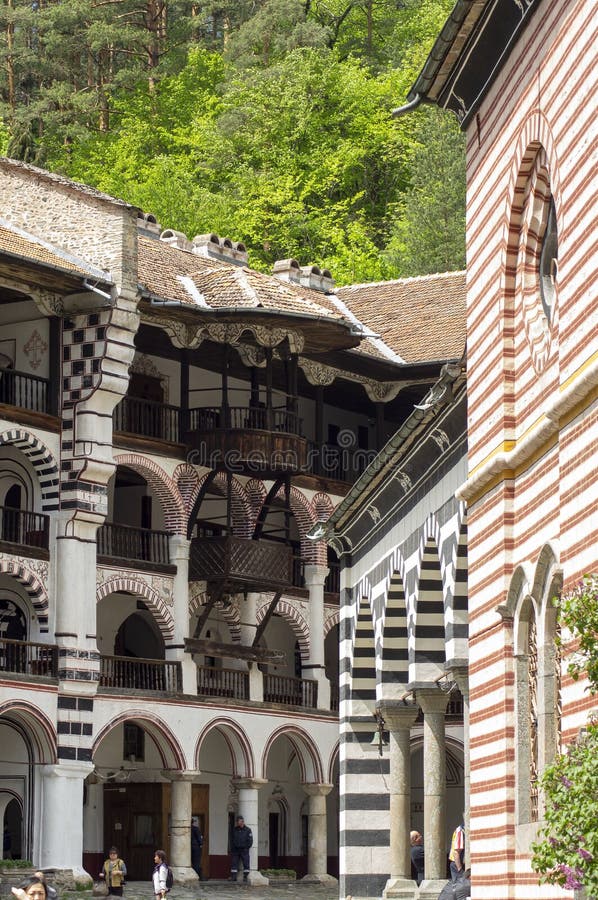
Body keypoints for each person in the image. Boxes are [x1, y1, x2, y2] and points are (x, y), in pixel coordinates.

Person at [229, 815, 252, 884]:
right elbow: (231, 839)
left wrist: (246, 847)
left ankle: (245, 877)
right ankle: (233, 877)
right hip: (235, 850)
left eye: (239, 821)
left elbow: (250, 840)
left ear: (242, 822)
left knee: (246, 863)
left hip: (244, 850)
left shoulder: (248, 830)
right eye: (237, 822)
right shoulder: (234, 829)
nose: (238, 823)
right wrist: (232, 847)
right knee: (234, 863)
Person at [190, 817, 205, 882]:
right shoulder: (195, 829)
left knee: (193, 862)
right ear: (193, 822)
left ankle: (199, 876)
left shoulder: (188, 829)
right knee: (196, 862)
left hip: (190, 847)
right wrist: (201, 844)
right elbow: (199, 838)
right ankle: (197, 876)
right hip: (196, 847)